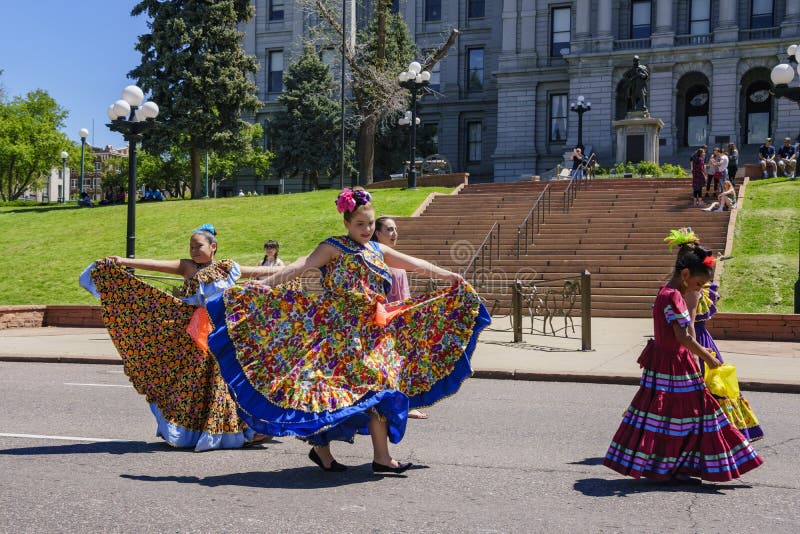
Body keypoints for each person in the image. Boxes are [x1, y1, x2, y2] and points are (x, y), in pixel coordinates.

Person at [203, 188, 491, 473]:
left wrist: (447, 275)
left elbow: (415, 264)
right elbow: (301, 265)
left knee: (382, 386)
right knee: (324, 393)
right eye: (359, 224)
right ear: (346, 223)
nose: (366, 229)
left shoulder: (378, 250)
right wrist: (265, 286)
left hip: (373, 335)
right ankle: (322, 450)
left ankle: (381, 458)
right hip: (336, 336)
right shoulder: (333, 247)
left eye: (369, 223)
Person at [79, 224, 280, 451]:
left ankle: (244, 431)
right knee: (196, 387)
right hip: (192, 338)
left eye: (198, 246)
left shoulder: (228, 268)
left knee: (229, 385)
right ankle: (198, 432)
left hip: (223, 335)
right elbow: (157, 265)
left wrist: (294, 269)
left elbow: (257, 271)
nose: (194, 250)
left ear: (212, 246)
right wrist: (124, 262)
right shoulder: (188, 267)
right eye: (191, 246)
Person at [603, 229, 763, 484]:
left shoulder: (665, 292)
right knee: (697, 415)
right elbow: (684, 338)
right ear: (686, 274)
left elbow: (683, 333)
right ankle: (687, 465)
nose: (699, 289)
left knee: (664, 418)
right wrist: (709, 358)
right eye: (699, 284)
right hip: (676, 364)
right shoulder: (673, 296)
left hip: (664, 363)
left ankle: (669, 466)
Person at [685, 282, 764, 442]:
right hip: (697, 341)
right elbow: (688, 325)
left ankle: (716, 430)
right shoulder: (687, 290)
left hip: (699, 341)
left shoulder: (695, 289)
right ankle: (707, 430)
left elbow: (691, 323)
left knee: (713, 385)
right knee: (706, 386)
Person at [371, 216, 429, 420]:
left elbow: (404, 292)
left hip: (401, 320)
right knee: (387, 365)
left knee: (403, 364)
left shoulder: (396, 258)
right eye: (389, 229)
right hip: (383, 322)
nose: (394, 233)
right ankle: (388, 405)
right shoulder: (375, 259)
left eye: (395, 229)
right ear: (377, 233)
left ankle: (405, 403)